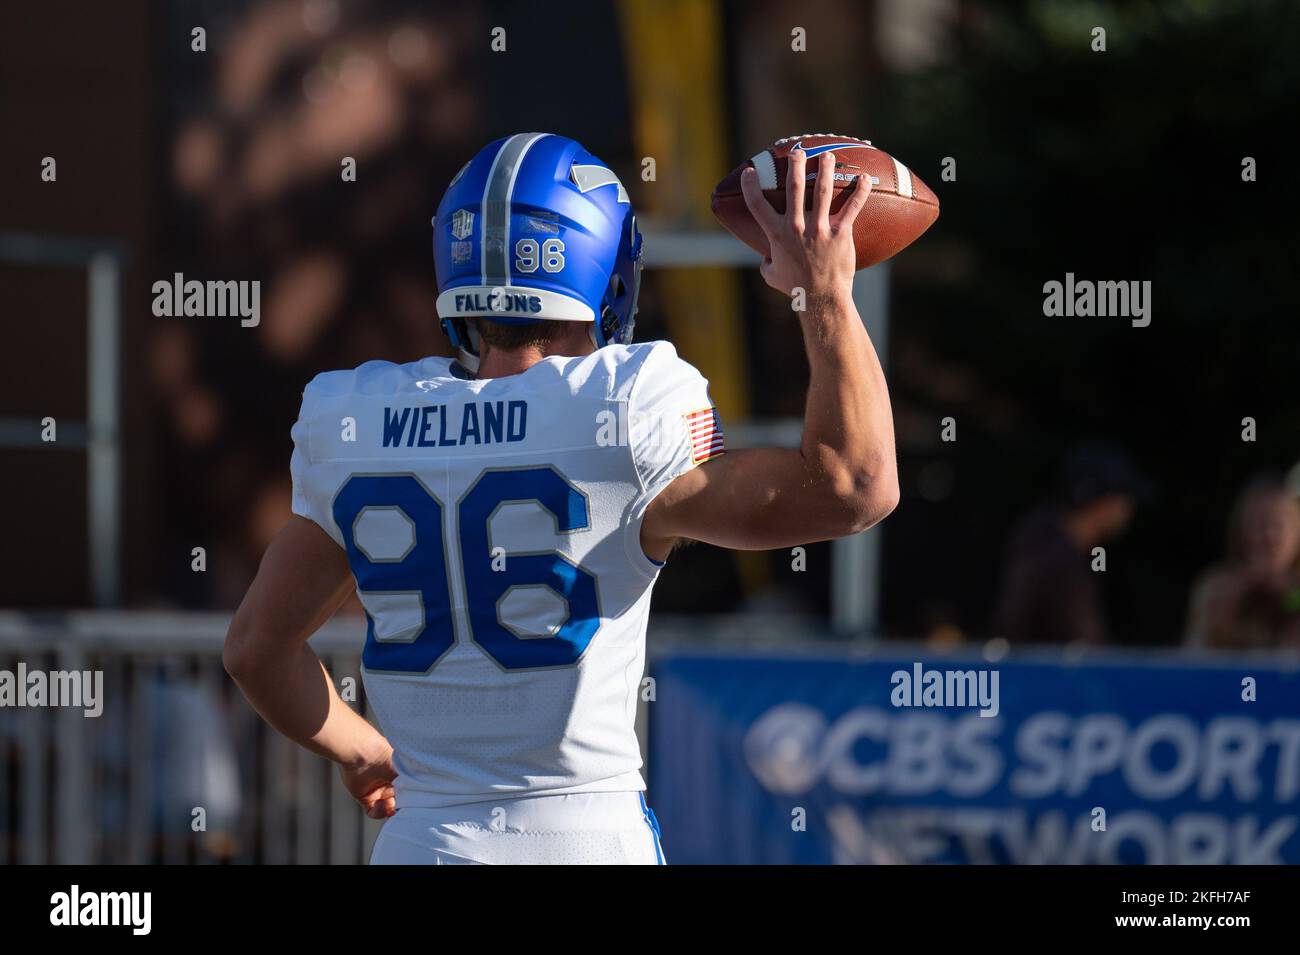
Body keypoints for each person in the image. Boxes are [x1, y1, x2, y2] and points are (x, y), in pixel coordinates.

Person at [222, 135, 898, 864]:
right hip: (584, 838)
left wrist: (362, 749)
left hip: (425, 839)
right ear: (605, 272)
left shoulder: (356, 419)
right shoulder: (626, 409)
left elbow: (257, 648)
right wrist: (824, 293)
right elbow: (854, 486)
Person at [994, 442, 1148, 645]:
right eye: (1121, 496)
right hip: (1046, 675)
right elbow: (1083, 648)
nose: (1128, 508)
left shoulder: (1064, 548)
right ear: (1098, 497)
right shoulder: (1050, 555)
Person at [1185, 476, 1300, 650]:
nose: (1270, 537)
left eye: (1280, 524)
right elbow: (1195, 659)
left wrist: (1290, 600)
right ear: (1240, 530)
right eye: (1258, 525)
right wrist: (1228, 607)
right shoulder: (1214, 587)